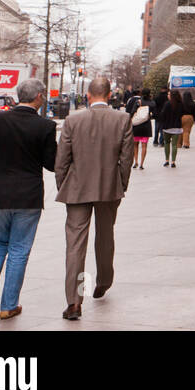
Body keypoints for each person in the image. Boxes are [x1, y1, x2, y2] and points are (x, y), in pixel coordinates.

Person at [0, 78, 57, 321]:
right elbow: (51, 165)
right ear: (39, 97)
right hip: (28, 196)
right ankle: (9, 306)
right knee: (19, 248)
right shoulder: (46, 126)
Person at [54, 75, 134, 321]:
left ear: (88, 95)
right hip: (109, 188)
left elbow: (62, 161)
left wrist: (64, 186)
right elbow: (126, 159)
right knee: (106, 235)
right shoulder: (123, 119)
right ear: (110, 95)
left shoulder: (73, 120)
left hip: (77, 189)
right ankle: (103, 281)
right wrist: (121, 185)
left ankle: (74, 302)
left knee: (75, 245)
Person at [126, 88, 153, 169]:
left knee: (135, 145)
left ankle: (136, 162)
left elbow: (132, 112)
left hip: (137, 126)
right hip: (146, 126)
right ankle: (142, 164)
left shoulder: (139, 102)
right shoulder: (152, 103)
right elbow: (155, 114)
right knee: (144, 146)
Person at [158, 89, 186, 166]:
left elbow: (162, 115)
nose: (168, 95)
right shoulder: (180, 104)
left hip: (167, 127)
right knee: (174, 145)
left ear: (172, 96)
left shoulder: (167, 104)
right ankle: (173, 162)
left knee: (166, 143)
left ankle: (167, 160)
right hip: (176, 127)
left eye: (169, 94)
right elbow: (183, 113)